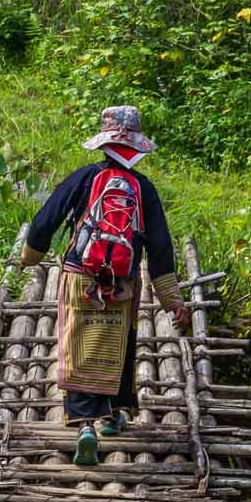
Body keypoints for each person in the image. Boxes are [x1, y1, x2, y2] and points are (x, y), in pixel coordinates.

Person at [20, 105, 190, 466]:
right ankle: (113, 414)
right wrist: (173, 300)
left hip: (80, 274)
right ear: (137, 146)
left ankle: (85, 427)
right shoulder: (143, 189)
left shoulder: (84, 178)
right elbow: (161, 248)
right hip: (123, 281)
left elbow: (45, 220)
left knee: (78, 340)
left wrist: (30, 256)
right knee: (119, 340)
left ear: (104, 142)